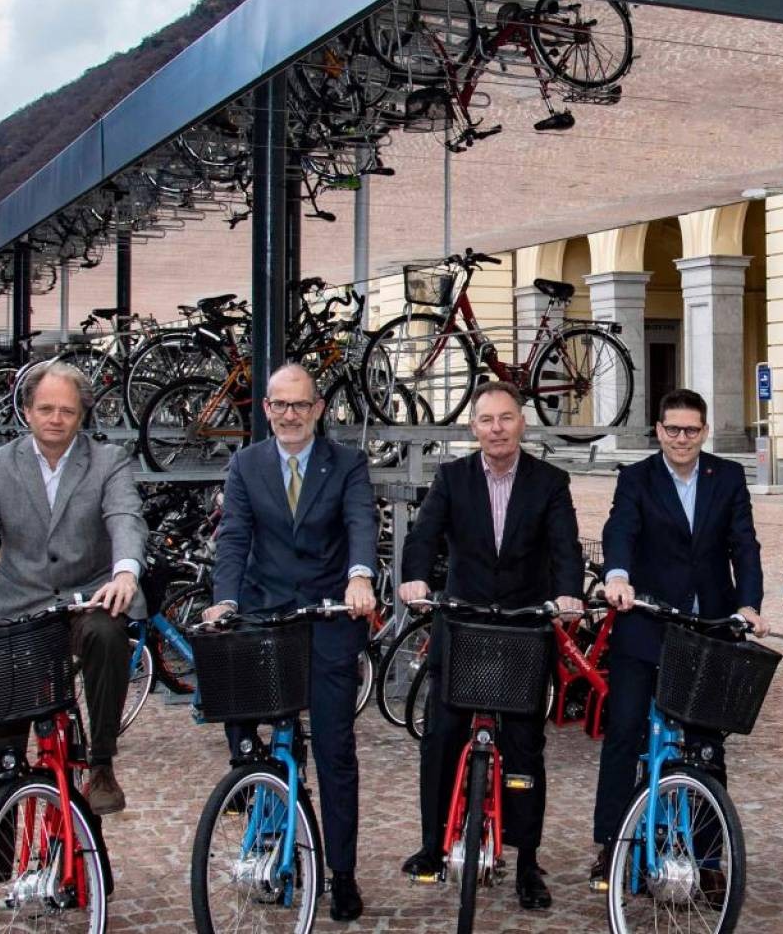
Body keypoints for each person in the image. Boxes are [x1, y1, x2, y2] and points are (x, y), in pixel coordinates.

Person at [0, 361, 146, 931]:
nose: (56, 419)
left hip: (86, 602)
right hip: (19, 614)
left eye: (67, 410)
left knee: (107, 632)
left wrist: (125, 571)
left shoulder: (108, 461)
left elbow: (126, 519)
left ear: (82, 415)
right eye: (46, 408)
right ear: (27, 411)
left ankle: (101, 763)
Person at [397, 380, 584, 912]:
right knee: (441, 735)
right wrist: (414, 578)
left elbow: (565, 546)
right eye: (486, 419)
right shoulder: (452, 477)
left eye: (506, 418)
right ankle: (433, 845)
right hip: (464, 621)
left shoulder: (550, 481)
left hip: (523, 625)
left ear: (522, 422)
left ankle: (527, 861)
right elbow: (423, 535)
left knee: (525, 746)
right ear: (473, 426)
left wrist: (568, 593)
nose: (497, 429)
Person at [202, 363, 378, 922]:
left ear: (319, 409)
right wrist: (225, 600)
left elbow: (361, 522)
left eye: (300, 405)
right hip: (267, 612)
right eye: (279, 405)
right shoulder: (247, 464)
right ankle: (257, 784)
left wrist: (359, 576)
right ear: (266, 408)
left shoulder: (346, 463)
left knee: (334, 749)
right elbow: (234, 537)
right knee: (235, 704)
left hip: (328, 615)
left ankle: (342, 873)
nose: (289, 415)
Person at [589, 388, 767, 885]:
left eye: (691, 430)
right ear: (659, 431)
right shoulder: (636, 478)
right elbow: (620, 529)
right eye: (673, 429)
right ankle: (611, 846)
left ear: (704, 431)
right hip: (646, 622)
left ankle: (708, 861)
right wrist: (618, 576)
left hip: (706, 629)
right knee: (624, 733)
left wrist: (748, 605)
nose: (682, 438)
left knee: (707, 745)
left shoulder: (726, 477)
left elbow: (744, 544)